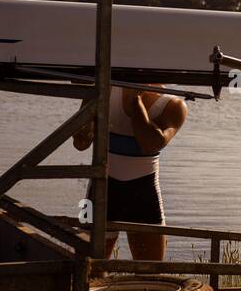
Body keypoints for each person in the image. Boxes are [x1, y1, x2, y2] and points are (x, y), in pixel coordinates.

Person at [73, 83, 188, 260]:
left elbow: (150, 144)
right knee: (87, 271)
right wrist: (85, 130)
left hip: (143, 194)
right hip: (101, 191)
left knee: (150, 275)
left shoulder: (173, 105)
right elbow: (80, 144)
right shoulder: (103, 89)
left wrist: (136, 100)